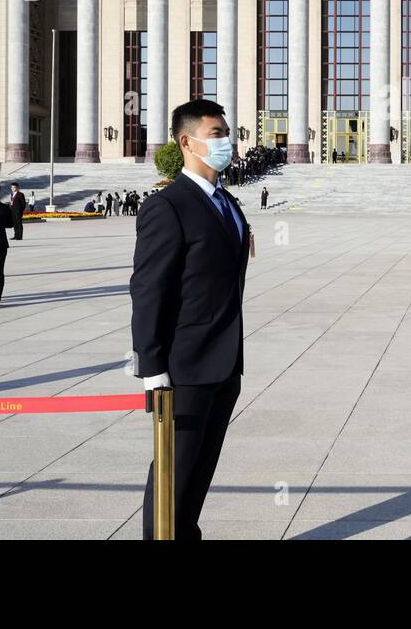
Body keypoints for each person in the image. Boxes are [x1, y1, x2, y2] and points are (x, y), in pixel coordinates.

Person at [131, 99, 251, 541]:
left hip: (223, 366)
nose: (227, 142)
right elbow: (148, 291)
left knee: (197, 478)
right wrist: (153, 369)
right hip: (182, 369)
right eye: (217, 134)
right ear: (187, 141)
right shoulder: (169, 206)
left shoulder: (227, 203)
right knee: (171, 479)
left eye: (226, 133)